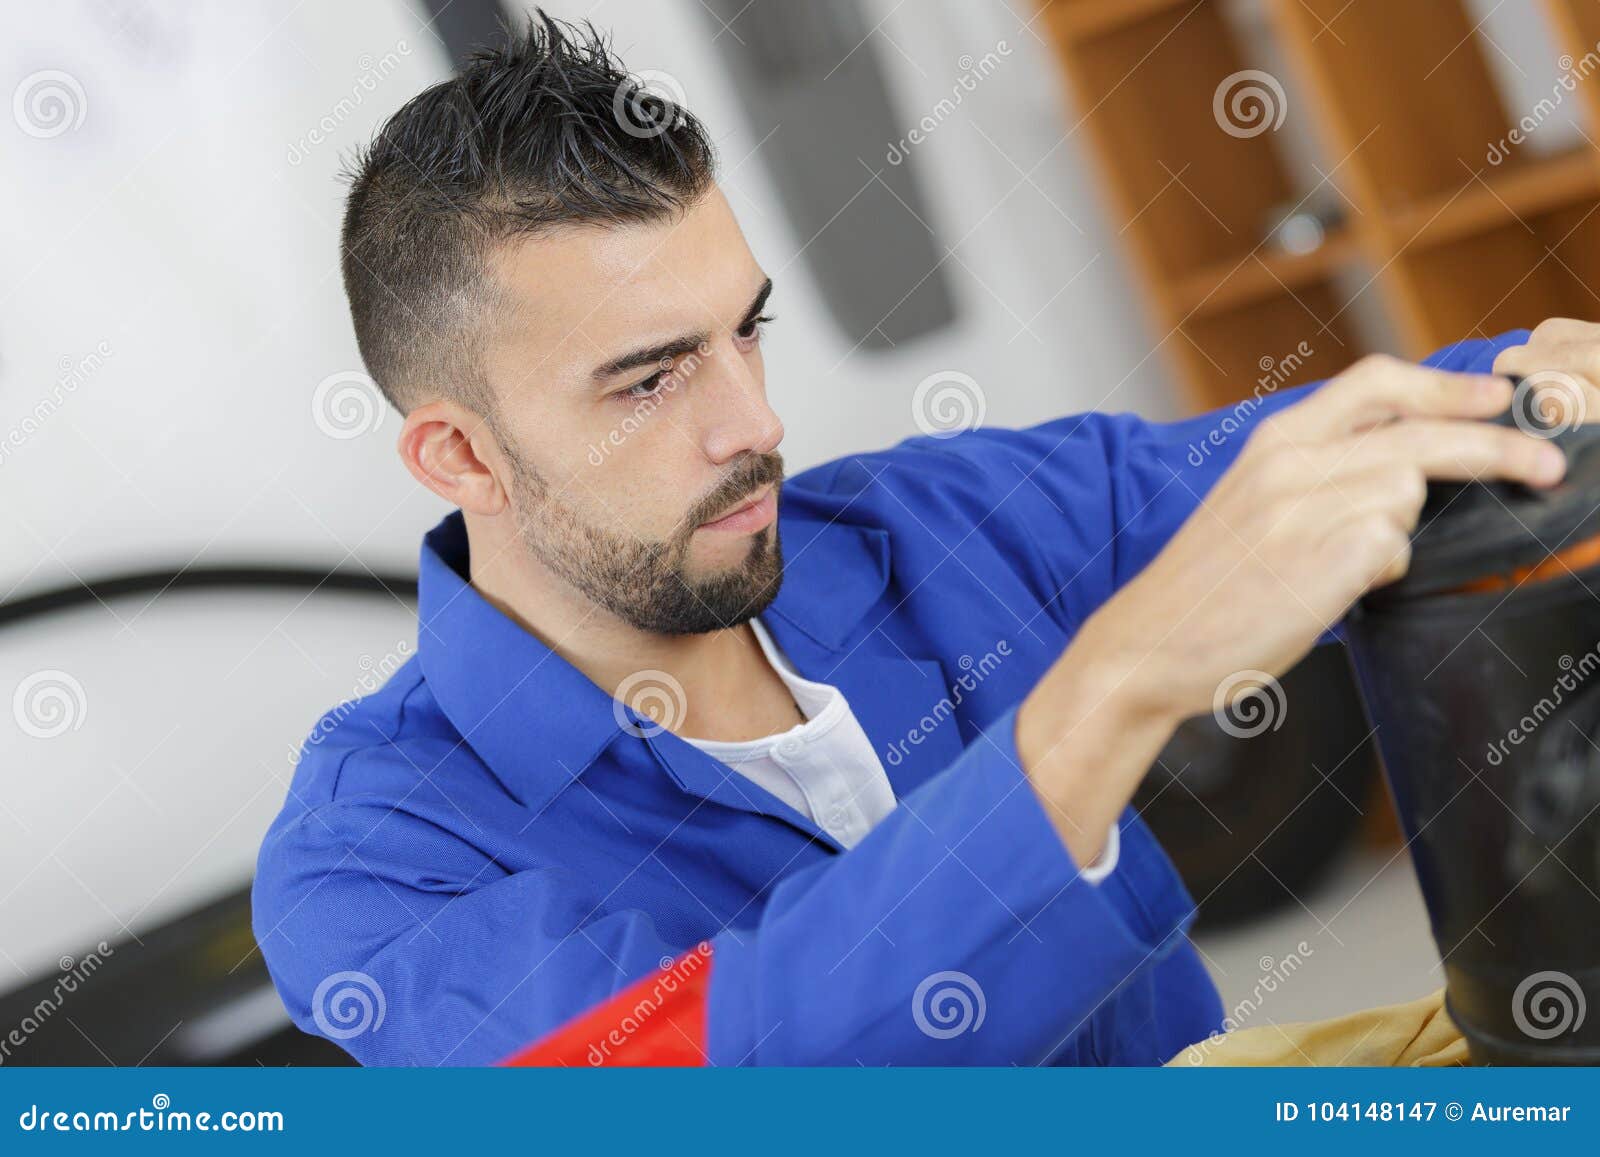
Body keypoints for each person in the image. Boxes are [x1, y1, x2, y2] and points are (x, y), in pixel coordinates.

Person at [252, 11, 1596, 1066]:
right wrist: (1115, 686)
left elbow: (1310, 454)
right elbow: (710, 1080)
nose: (752, 424)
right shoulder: (375, 857)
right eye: (651, 379)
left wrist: (1535, 390)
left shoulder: (918, 527)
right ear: (461, 453)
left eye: (747, 331)